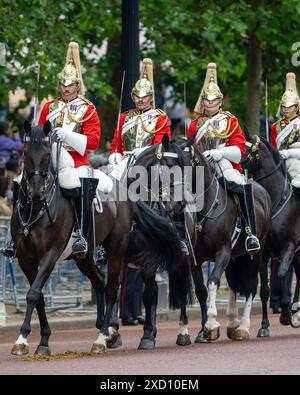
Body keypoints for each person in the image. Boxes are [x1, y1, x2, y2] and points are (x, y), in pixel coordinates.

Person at [1, 42, 112, 260]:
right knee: (20, 180)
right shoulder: (49, 107)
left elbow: (93, 141)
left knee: (75, 182)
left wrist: (68, 136)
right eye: (63, 84)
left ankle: (82, 235)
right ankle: (12, 237)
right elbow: (38, 134)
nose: (66, 88)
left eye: (70, 84)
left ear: (77, 85)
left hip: (76, 160)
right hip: (47, 159)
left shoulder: (87, 109)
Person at [187, 63, 260, 254]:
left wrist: (221, 152)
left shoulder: (230, 121)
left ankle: (250, 232)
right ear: (202, 102)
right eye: (206, 100)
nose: (209, 103)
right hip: (200, 165)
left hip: (223, 163)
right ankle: (181, 234)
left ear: (220, 102)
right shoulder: (195, 125)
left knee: (241, 185)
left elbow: (240, 150)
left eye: (213, 100)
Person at [108, 58, 171, 180]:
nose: (140, 100)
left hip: (151, 163)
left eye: (144, 96)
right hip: (124, 164)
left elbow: (160, 146)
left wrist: (143, 152)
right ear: (133, 96)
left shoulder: (160, 117)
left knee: (166, 189)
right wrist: (115, 157)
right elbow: (116, 146)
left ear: (151, 98)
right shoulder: (124, 117)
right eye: (137, 96)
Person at [270, 72, 300, 189]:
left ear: (296, 107)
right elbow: (273, 147)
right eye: (283, 106)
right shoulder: (275, 126)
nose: (286, 109)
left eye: (289, 106)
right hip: (280, 162)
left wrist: (289, 153)